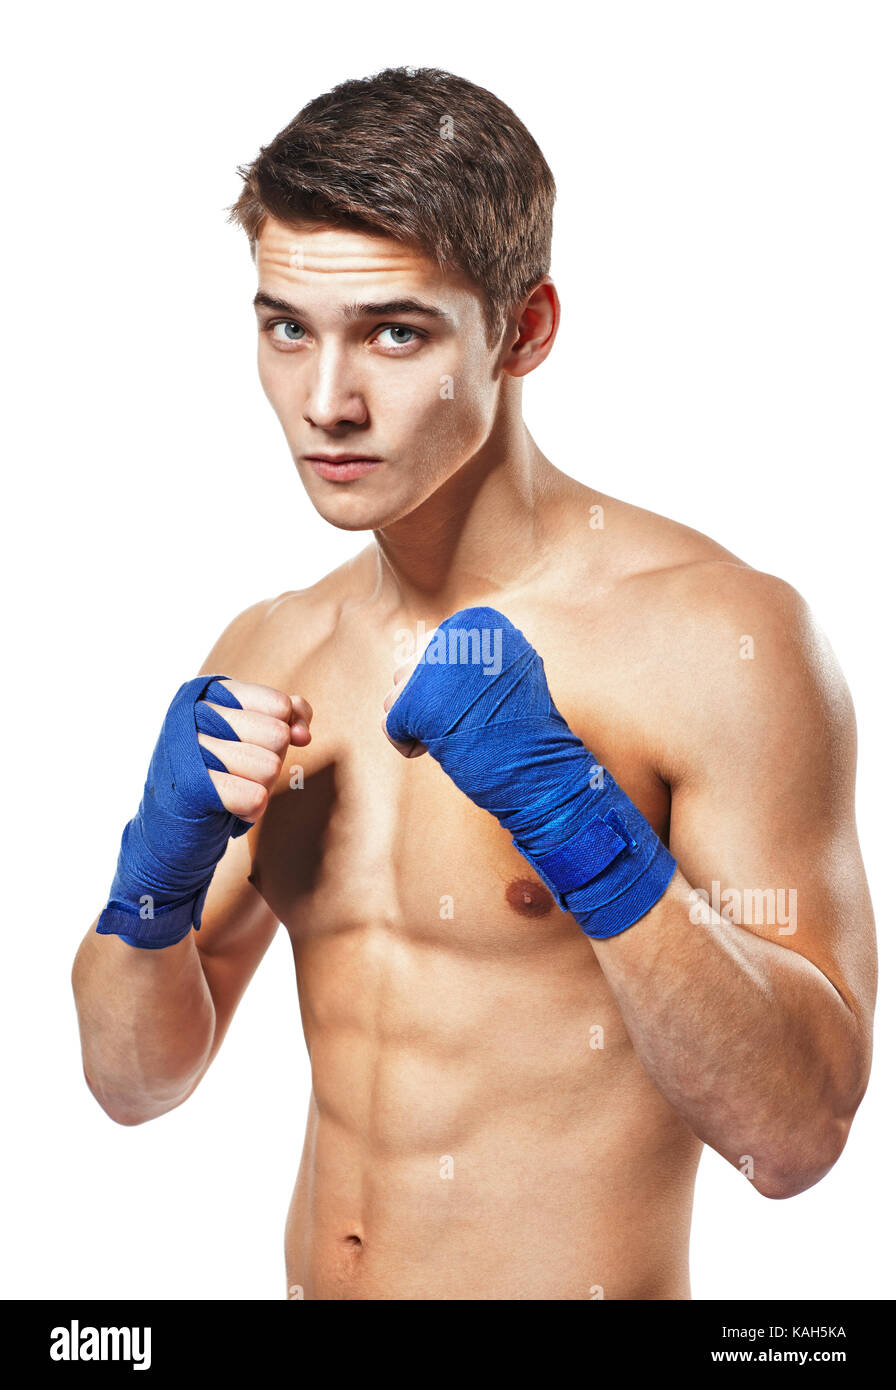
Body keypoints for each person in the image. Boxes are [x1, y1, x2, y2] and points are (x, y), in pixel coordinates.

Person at [71, 66, 877, 1301]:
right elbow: (136, 1083)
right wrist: (154, 880)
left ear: (523, 329)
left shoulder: (716, 636)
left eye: (394, 332)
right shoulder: (271, 649)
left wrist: (579, 824)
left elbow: (796, 1134)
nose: (326, 403)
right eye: (287, 326)